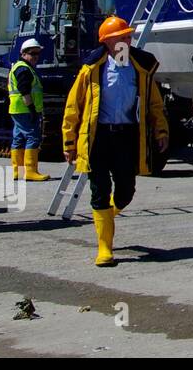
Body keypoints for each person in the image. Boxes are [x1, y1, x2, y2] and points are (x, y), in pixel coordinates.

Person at [60, 16, 169, 266]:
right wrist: (69, 141)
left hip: (126, 136)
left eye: (128, 37)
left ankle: (108, 215)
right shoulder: (91, 69)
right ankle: (104, 248)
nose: (128, 41)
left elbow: (154, 103)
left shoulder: (141, 67)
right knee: (99, 190)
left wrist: (161, 131)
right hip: (97, 138)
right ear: (108, 42)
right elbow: (73, 107)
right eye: (122, 37)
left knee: (126, 191)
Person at [7, 37, 49, 182]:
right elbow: (24, 90)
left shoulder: (22, 67)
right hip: (24, 109)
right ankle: (30, 171)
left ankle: (18, 171)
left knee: (18, 138)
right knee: (33, 137)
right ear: (23, 54)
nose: (36, 57)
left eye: (37, 54)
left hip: (17, 109)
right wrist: (31, 109)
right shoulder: (23, 69)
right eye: (32, 53)